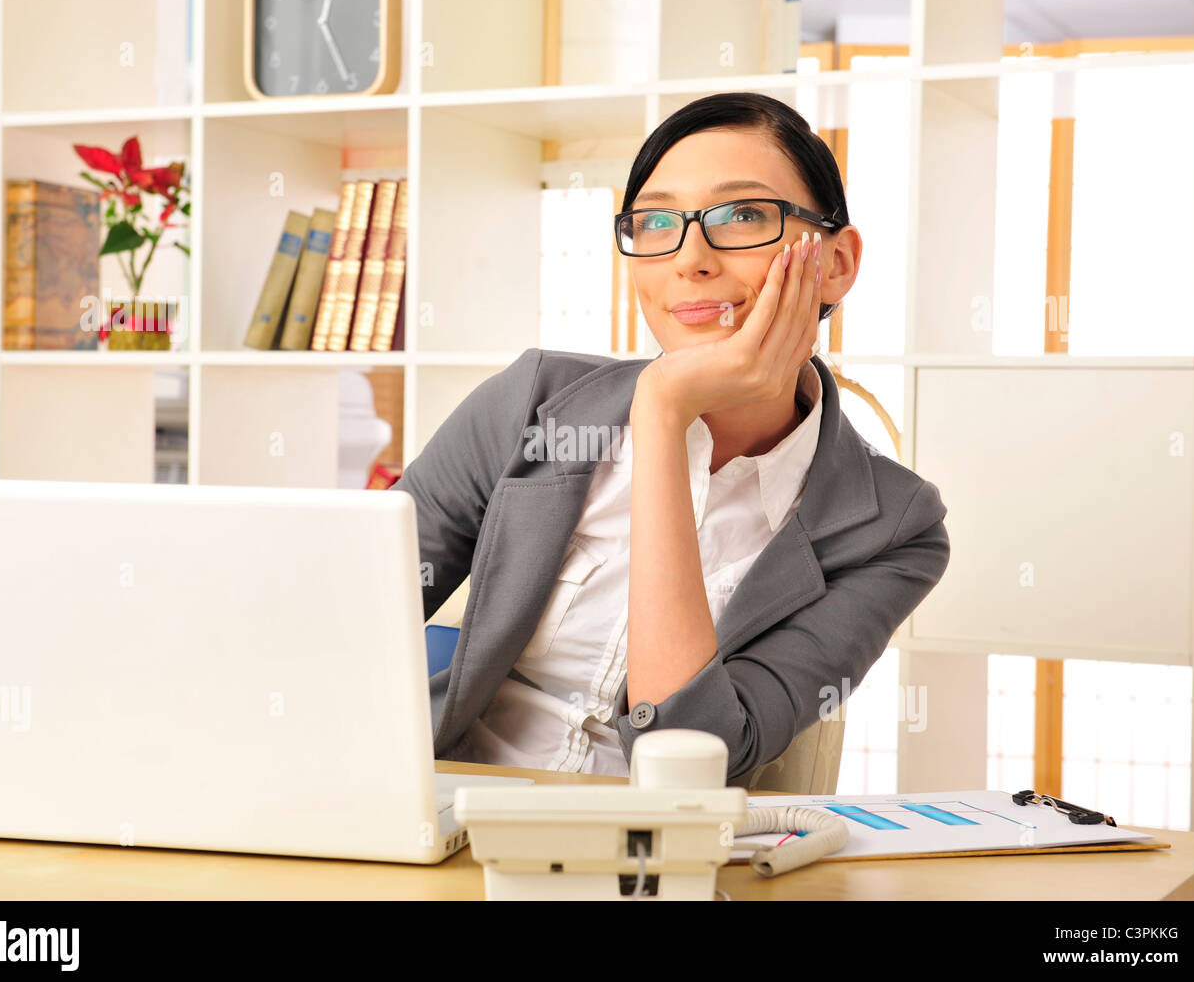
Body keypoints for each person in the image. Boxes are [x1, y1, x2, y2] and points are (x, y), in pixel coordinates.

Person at [392, 91, 950, 787]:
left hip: (667, 865)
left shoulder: (894, 530)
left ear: (835, 263)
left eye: (743, 214)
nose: (690, 258)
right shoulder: (532, 402)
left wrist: (661, 413)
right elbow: (340, 619)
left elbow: (688, 754)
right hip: (446, 828)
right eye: (657, 221)